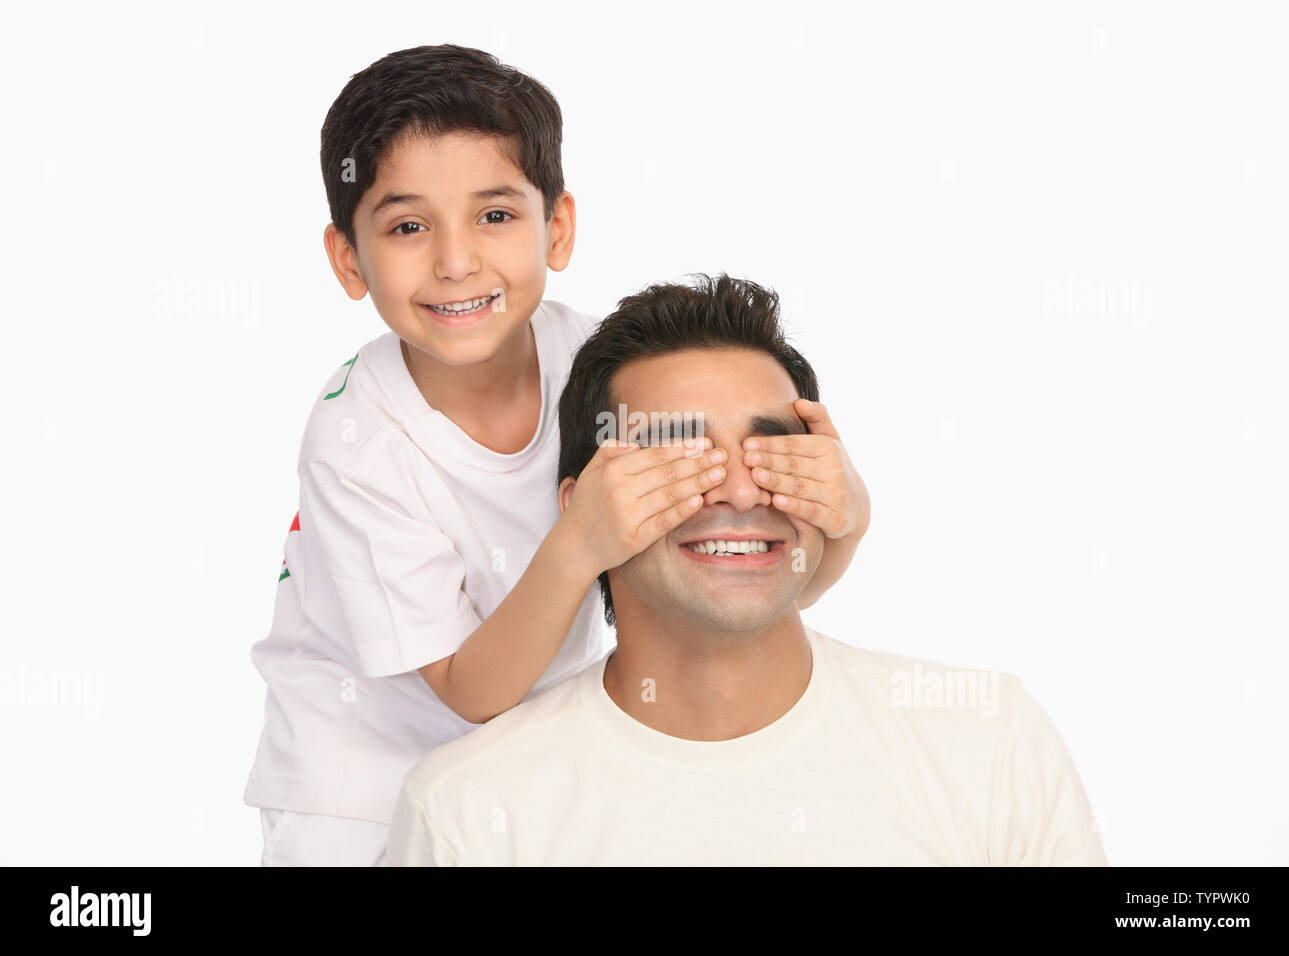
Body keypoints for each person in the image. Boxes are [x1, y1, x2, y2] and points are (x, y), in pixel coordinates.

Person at [244, 48, 870, 866]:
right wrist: (581, 542)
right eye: (407, 226)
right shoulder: (355, 442)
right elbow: (469, 691)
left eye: (495, 216)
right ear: (348, 260)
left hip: (536, 745)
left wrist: (844, 521)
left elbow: (743, 578)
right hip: (356, 781)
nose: (456, 261)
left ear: (559, 228)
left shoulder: (595, 363)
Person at [387, 274, 1107, 866]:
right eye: (677, 457)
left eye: (775, 453)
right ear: (581, 508)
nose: (738, 490)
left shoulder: (988, 740)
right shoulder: (468, 817)